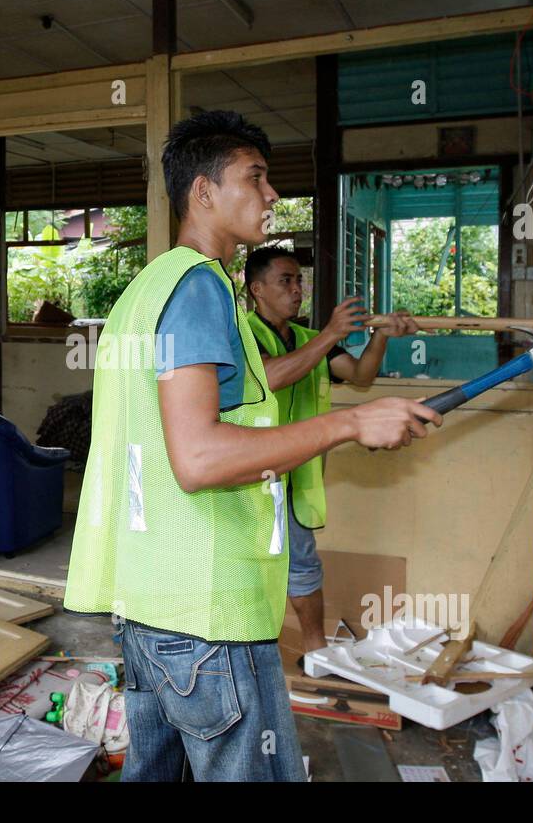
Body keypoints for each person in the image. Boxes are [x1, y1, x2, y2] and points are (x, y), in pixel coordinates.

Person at [64, 110, 441, 782]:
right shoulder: (199, 287)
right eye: (256, 178)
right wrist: (348, 425)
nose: (272, 195)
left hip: (149, 608)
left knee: (157, 773)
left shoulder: (146, 290)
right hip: (208, 613)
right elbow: (199, 456)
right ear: (202, 192)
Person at [243, 246, 419, 661]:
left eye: (299, 280)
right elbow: (269, 376)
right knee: (248, 565)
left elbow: (359, 377)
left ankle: (315, 652)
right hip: (248, 476)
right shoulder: (242, 333)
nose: (297, 290)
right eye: (285, 281)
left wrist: (378, 337)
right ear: (257, 289)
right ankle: (249, 651)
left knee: (301, 562)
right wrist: (330, 334)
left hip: (297, 476)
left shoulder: (308, 340)